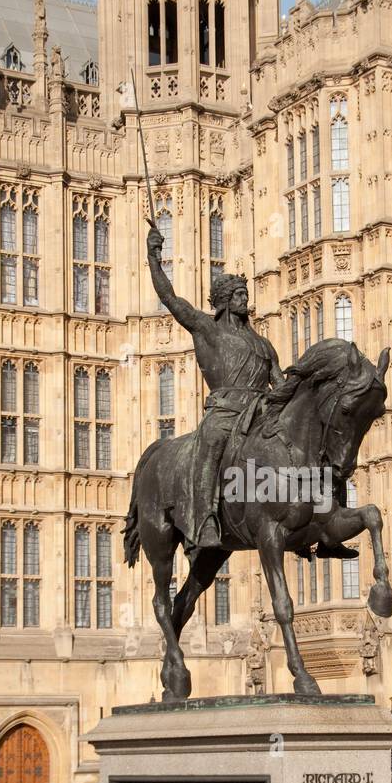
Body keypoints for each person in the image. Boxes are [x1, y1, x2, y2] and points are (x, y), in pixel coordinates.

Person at [146, 223, 282, 548]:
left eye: (245, 294)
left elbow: (281, 384)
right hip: (225, 413)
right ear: (223, 300)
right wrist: (154, 257)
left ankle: (318, 514)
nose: (244, 298)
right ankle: (204, 519)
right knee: (211, 444)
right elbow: (169, 297)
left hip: (260, 415)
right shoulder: (208, 330)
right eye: (238, 294)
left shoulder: (263, 345)